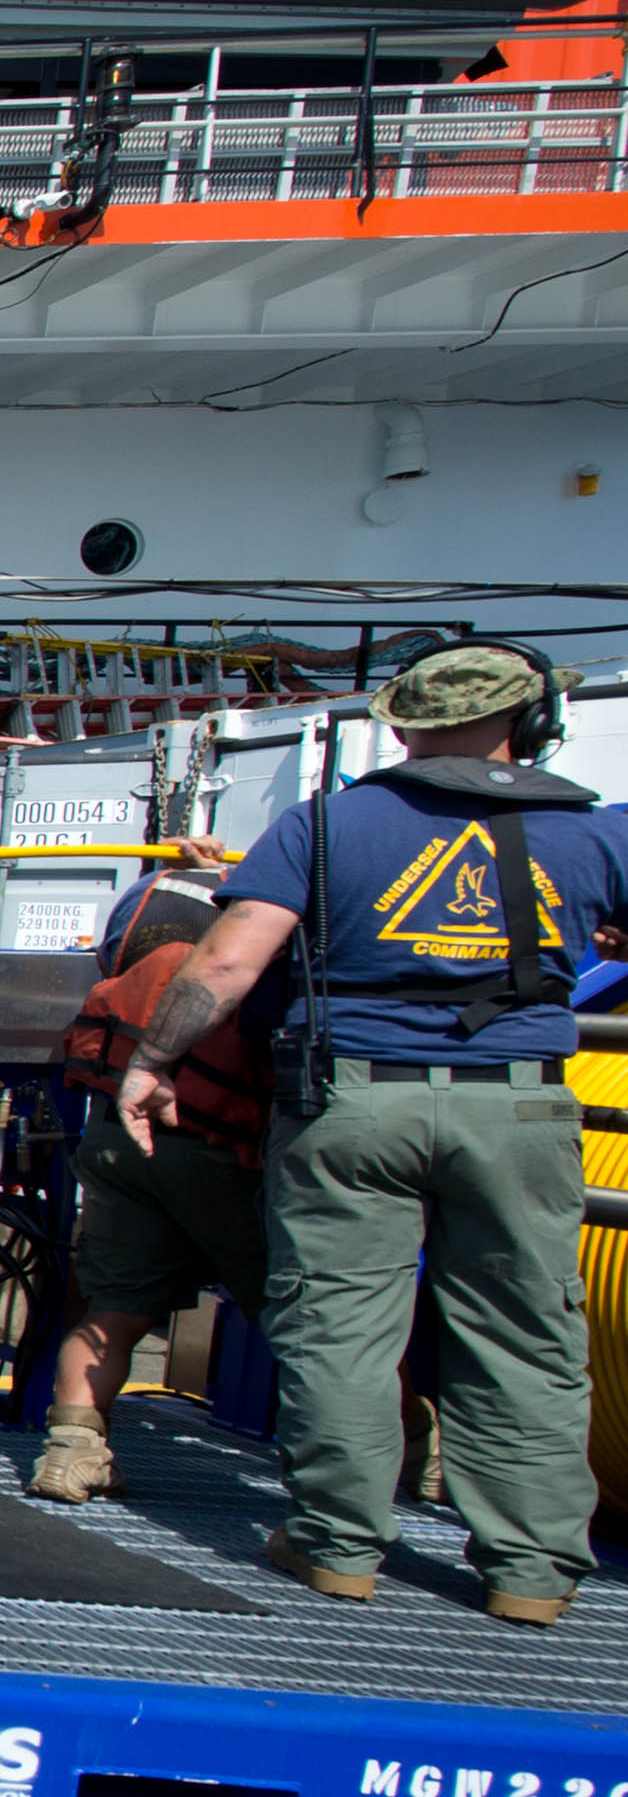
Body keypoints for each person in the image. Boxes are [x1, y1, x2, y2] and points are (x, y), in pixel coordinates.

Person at [113, 644, 623, 1620]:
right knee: (522, 1332)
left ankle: (336, 1545)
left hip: (350, 1105)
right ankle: (527, 1570)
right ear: (533, 723)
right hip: (516, 1108)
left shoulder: (320, 828)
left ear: (398, 726)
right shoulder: (597, 835)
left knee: (341, 1328)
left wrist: (151, 1064)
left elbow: (224, 965)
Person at [33, 854, 266, 1501]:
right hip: (216, 1156)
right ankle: (414, 1451)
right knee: (322, 1318)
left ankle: (69, 1453)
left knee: (114, 1310)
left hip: (118, 1144)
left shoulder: (134, 970)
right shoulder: (229, 979)